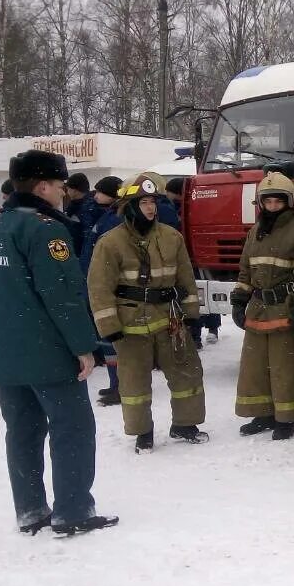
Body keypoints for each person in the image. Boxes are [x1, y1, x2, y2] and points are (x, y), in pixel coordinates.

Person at [0, 150, 117, 536]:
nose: (61, 192)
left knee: (22, 431)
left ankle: (30, 508)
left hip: (5, 353)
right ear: (42, 186)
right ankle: (72, 510)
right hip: (47, 353)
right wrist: (83, 346)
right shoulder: (45, 229)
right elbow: (63, 295)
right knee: (72, 428)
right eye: (58, 185)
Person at [87, 172, 207, 453]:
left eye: (153, 201)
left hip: (169, 319)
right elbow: (99, 287)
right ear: (129, 206)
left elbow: (185, 278)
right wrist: (109, 325)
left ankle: (185, 424)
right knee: (134, 382)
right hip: (131, 324)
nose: (151, 208)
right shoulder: (110, 242)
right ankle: (143, 432)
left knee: (186, 373)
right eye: (144, 203)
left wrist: (191, 312)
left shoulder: (171, 237)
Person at [228, 172, 294, 441]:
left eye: (278, 201)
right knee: (255, 366)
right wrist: (239, 300)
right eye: (268, 202)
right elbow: (245, 270)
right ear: (261, 203)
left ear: (289, 202)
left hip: (285, 308)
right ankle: (262, 413)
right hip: (257, 308)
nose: (273, 206)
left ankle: (286, 418)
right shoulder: (256, 231)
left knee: (285, 367)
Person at [81, 176, 124, 406]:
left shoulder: (116, 218)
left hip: (108, 285)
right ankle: (115, 383)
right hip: (96, 281)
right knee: (106, 338)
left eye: (99, 191)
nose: (95, 195)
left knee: (112, 336)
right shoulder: (107, 215)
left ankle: (122, 385)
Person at [166, 176, 221, 347]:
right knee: (197, 294)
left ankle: (204, 331)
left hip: (192, 257)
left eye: (169, 192)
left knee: (194, 296)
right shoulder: (182, 208)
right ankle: (209, 329)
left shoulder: (178, 209)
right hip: (196, 256)